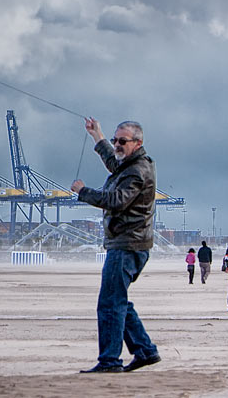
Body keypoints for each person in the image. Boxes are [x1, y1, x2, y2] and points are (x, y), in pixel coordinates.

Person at [71, 119, 160, 373]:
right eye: (115, 140)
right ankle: (145, 351)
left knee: (110, 303)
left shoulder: (137, 170)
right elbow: (113, 162)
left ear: (138, 143)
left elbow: (116, 200)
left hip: (127, 245)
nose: (118, 145)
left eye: (123, 141)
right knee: (118, 300)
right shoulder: (129, 164)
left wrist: (83, 191)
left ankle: (110, 361)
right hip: (128, 243)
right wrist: (97, 136)